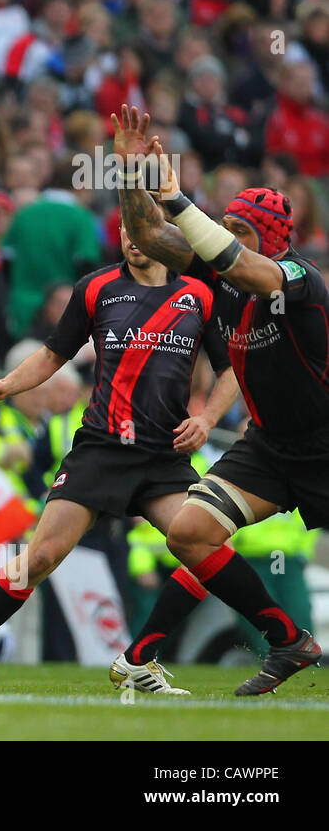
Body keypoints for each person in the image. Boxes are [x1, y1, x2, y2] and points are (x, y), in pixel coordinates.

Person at [0, 217, 239, 693]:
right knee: (40, 556)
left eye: (144, 229)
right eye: (127, 229)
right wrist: (7, 385)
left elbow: (230, 370)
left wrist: (209, 420)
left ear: (165, 236)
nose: (133, 238)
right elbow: (53, 355)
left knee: (209, 552)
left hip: (163, 456)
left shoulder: (199, 294)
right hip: (101, 449)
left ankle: (140, 659)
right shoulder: (96, 288)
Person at [115, 103, 328, 695]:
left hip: (325, 444)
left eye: (241, 230)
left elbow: (248, 270)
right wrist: (130, 173)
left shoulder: (298, 280)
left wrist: (178, 199)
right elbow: (148, 235)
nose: (228, 238)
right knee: (188, 532)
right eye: (225, 225)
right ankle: (288, 640)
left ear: (272, 240)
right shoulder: (219, 278)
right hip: (270, 447)